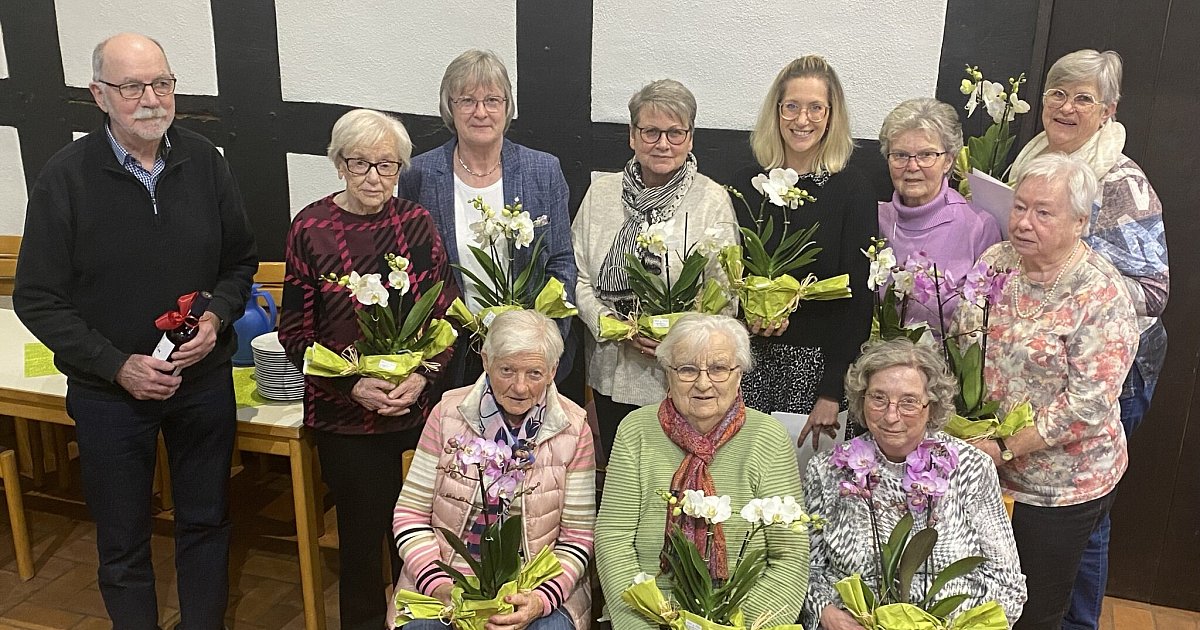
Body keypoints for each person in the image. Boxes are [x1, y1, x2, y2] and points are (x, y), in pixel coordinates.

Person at [13, 32, 257, 629]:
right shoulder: (65, 179)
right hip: (109, 394)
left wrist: (218, 316)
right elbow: (36, 299)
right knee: (122, 542)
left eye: (162, 83)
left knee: (206, 521)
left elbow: (239, 262)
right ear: (99, 96)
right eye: (131, 87)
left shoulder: (205, 161)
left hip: (201, 384)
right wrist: (116, 364)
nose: (151, 99)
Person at [277, 108, 458, 630]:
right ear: (339, 165)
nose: (374, 177)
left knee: (420, 538)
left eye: (387, 165)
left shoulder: (416, 224)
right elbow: (295, 335)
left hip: (414, 412)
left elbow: (444, 314)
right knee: (359, 541)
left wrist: (423, 377)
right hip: (345, 418)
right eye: (360, 164)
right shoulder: (311, 228)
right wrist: (354, 386)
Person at [1008, 49, 1169, 629]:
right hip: (1041, 365)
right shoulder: (1035, 160)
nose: (1067, 107)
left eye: (1083, 98)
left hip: (1110, 366)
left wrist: (1070, 267)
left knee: (1084, 510)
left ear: (1108, 110)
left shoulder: (1120, 181)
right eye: (1057, 94)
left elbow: (1153, 290)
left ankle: (1077, 624)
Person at [955, 153, 1138, 630]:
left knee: (1035, 611)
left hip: (1061, 486)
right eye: (1019, 207)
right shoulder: (997, 262)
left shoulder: (1099, 293)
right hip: (988, 469)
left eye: (1043, 212)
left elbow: (1089, 403)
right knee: (980, 598)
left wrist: (1004, 447)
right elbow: (963, 338)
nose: (1023, 222)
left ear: (1079, 221)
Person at [595, 314, 809, 629]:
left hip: (743, 618)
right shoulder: (635, 430)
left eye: (719, 369)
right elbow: (614, 538)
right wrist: (643, 624)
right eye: (687, 369)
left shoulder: (768, 436)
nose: (704, 383)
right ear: (667, 373)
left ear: (739, 374)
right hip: (651, 612)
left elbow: (788, 556)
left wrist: (746, 626)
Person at [803, 339, 1026, 629]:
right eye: (878, 398)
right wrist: (827, 614)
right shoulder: (827, 470)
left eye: (908, 402)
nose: (891, 415)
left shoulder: (970, 467)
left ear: (931, 407)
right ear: (861, 399)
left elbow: (1007, 585)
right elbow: (807, 571)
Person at [393, 309, 595, 630]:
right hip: (448, 574)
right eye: (506, 370)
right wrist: (442, 587)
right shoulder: (447, 413)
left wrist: (539, 600)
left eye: (534, 373)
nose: (520, 387)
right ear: (486, 361)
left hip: (533, 583)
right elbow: (409, 516)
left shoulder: (573, 427)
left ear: (553, 370)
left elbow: (578, 537)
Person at [572, 79, 738, 460]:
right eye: (650, 131)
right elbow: (578, 277)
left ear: (691, 138)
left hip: (684, 379)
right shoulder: (601, 195)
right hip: (612, 368)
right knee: (623, 479)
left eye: (675, 133)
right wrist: (612, 325)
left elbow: (725, 293)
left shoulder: (711, 199)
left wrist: (677, 339)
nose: (663, 144)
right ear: (632, 136)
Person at [398, 49, 576, 389]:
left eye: (492, 100)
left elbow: (562, 263)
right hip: (451, 353)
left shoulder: (543, 170)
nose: (481, 112)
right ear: (449, 107)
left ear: (507, 107)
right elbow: (410, 269)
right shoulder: (419, 174)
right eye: (467, 100)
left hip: (527, 358)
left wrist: (543, 341)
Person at [735, 55, 875, 445]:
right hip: (747, 363)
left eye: (816, 108)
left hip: (816, 368)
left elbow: (859, 300)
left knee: (802, 494)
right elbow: (729, 277)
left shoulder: (852, 188)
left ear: (831, 116)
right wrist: (750, 316)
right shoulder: (747, 184)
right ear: (776, 112)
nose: (802, 120)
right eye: (791, 106)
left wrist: (832, 391)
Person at [877, 97, 1001, 333]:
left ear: (948, 161)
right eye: (900, 155)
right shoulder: (873, 218)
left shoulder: (978, 226)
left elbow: (989, 317)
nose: (912, 166)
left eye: (926, 155)